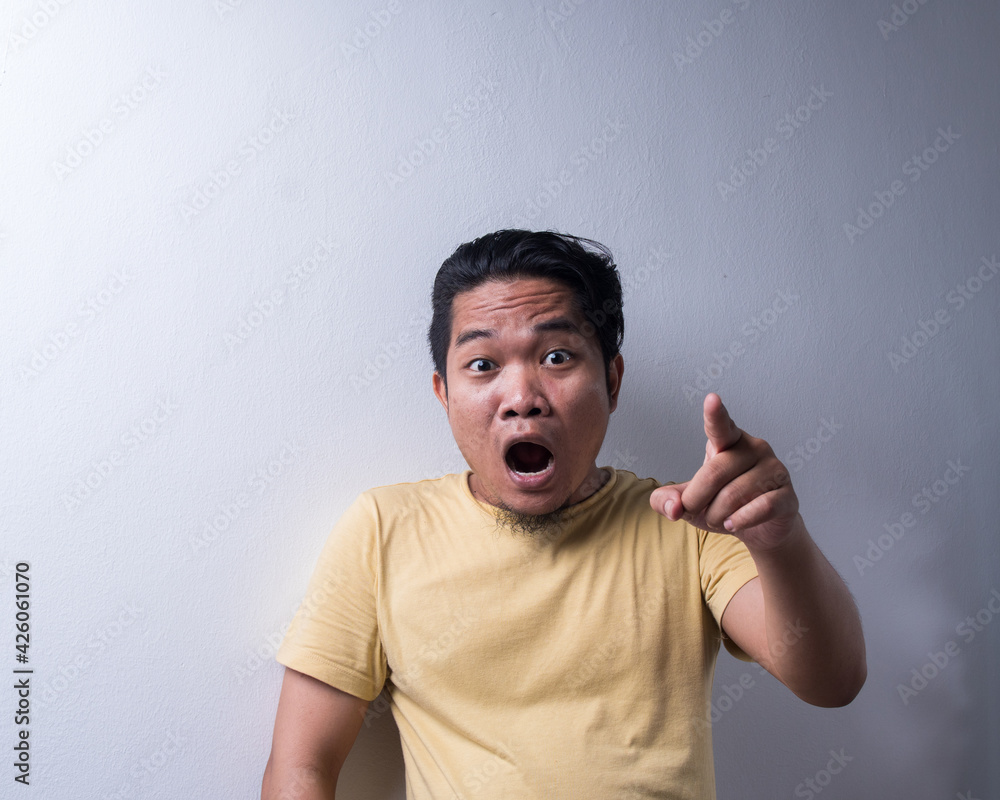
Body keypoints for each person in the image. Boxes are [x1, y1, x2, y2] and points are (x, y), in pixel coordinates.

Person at [261, 229, 866, 800]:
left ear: (612, 379)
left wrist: (777, 540)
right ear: (443, 392)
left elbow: (833, 682)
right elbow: (300, 765)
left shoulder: (686, 525)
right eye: (482, 365)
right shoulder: (383, 530)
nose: (522, 398)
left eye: (556, 356)